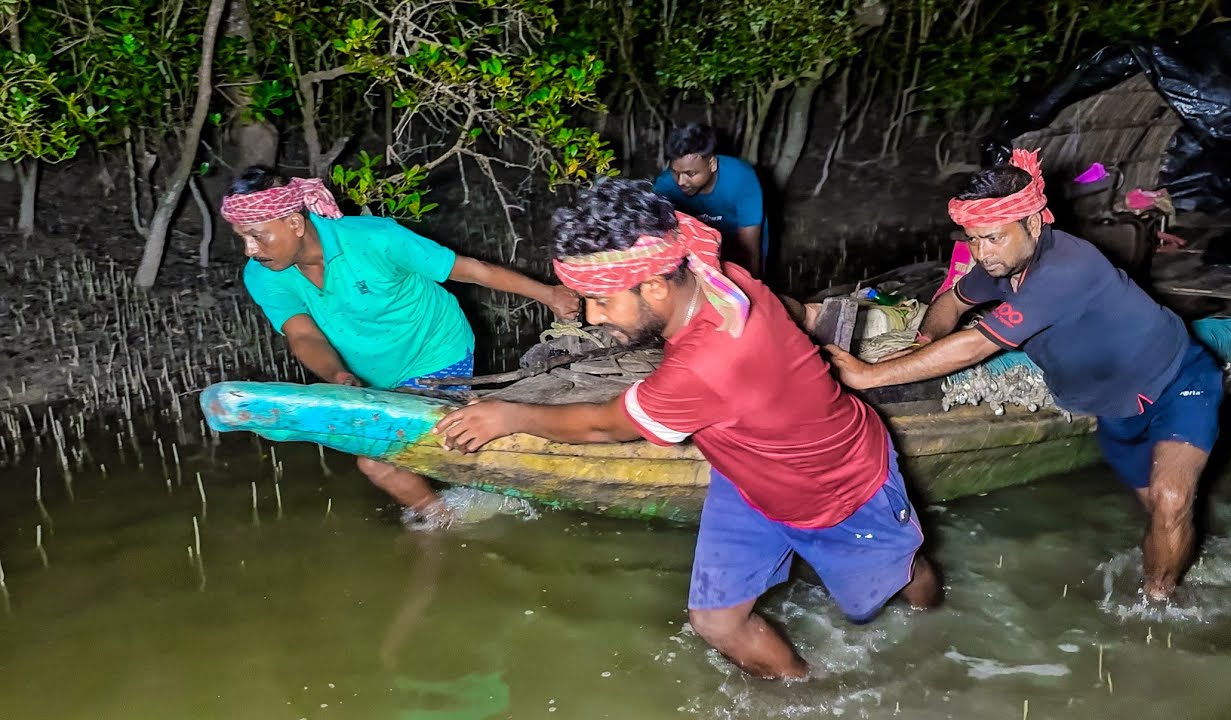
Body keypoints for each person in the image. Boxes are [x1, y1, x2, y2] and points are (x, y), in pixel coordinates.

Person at [431, 178, 940, 679]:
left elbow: (604, 427)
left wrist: (508, 415)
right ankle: (801, 697)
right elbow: (781, 307)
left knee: (900, 576)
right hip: (748, 476)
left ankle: (937, 628)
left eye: (602, 301)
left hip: (838, 489)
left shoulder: (705, 363)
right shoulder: (714, 273)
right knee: (717, 622)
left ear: (654, 286)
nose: (589, 316)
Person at [825, 150, 1223, 602]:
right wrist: (925, 343)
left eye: (992, 238)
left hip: (1177, 380)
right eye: (973, 240)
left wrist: (868, 375)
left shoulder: (1069, 266)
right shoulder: (1001, 266)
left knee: (1171, 501)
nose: (981, 253)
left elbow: (977, 344)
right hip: (1115, 409)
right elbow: (953, 301)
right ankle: (1182, 565)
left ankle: (1158, 607)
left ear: (1033, 223)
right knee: (1157, 509)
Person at [219, 166, 580, 530]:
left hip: (435, 349)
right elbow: (304, 336)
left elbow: (473, 270)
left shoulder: (376, 239)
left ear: (295, 223)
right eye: (241, 238)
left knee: (379, 459)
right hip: (371, 371)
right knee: (395, 448)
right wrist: (338, 375)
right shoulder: (263, 274)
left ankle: (447, 516)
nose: (250, 250)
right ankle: (445, 514)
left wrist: (549, 294)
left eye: (258, 236)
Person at [654, 124, 768, 277]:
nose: (681, 181)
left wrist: (753, 285)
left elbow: (749, 249)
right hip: (697, 244)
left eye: (691, 173)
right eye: (675, 172)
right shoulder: (665, 187)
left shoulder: (742, 178)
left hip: (738, 239)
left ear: (712, 164)